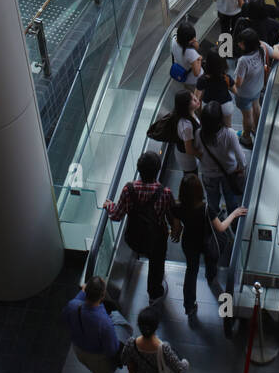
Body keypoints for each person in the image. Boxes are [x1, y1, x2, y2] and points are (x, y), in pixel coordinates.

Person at [104, 152, 174, 303]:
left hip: (134, 239)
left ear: (139, 169)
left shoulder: (128, 190)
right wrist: (175, 228)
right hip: (157, 240)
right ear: (157, 170)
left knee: (147, 250)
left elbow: (116, 216)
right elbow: (171, 215)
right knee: (157, 264)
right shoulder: (165, 193)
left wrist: (109, 206)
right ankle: (154, 293)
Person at [172, 173, 245, 317]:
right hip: (207, 242)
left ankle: (189, 306)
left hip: (188, 242)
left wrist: (176, 230)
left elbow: (176, 227)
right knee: (211, 269)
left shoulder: (177, 206)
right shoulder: (206, 209)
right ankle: (213, 284)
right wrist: (234, 214)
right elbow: (221, 227)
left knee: (191, 271)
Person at [62, 276, 122, 373]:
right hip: (98, 359)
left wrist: (83, 292)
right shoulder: (104, 322)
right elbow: (112, 349)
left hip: (79, 350)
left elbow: (65, 318)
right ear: (103, 295)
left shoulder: (72, 306)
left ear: (86, 290)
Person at [233, 29, 279, 143]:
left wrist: (229, 82)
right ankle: (256, 128)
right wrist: (276, 47)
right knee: (256, 106)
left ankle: (247, 137)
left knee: (247, 115)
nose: (239, 44)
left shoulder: (243, 61)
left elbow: (238, 83)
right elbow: (277, 56)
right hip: (257, 88)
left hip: (244, 93)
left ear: (247, 44)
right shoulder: (262, 47)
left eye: (241, 42)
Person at [198, 100, 247, 212]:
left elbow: (197, 150)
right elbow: (242, 160)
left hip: (208, 173)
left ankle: (214, 221)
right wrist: (241, 169)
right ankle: (233, 222)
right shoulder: (229, 133)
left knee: (212, 200)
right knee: (231, 200)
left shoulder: (199, 134)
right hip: (229, 172)